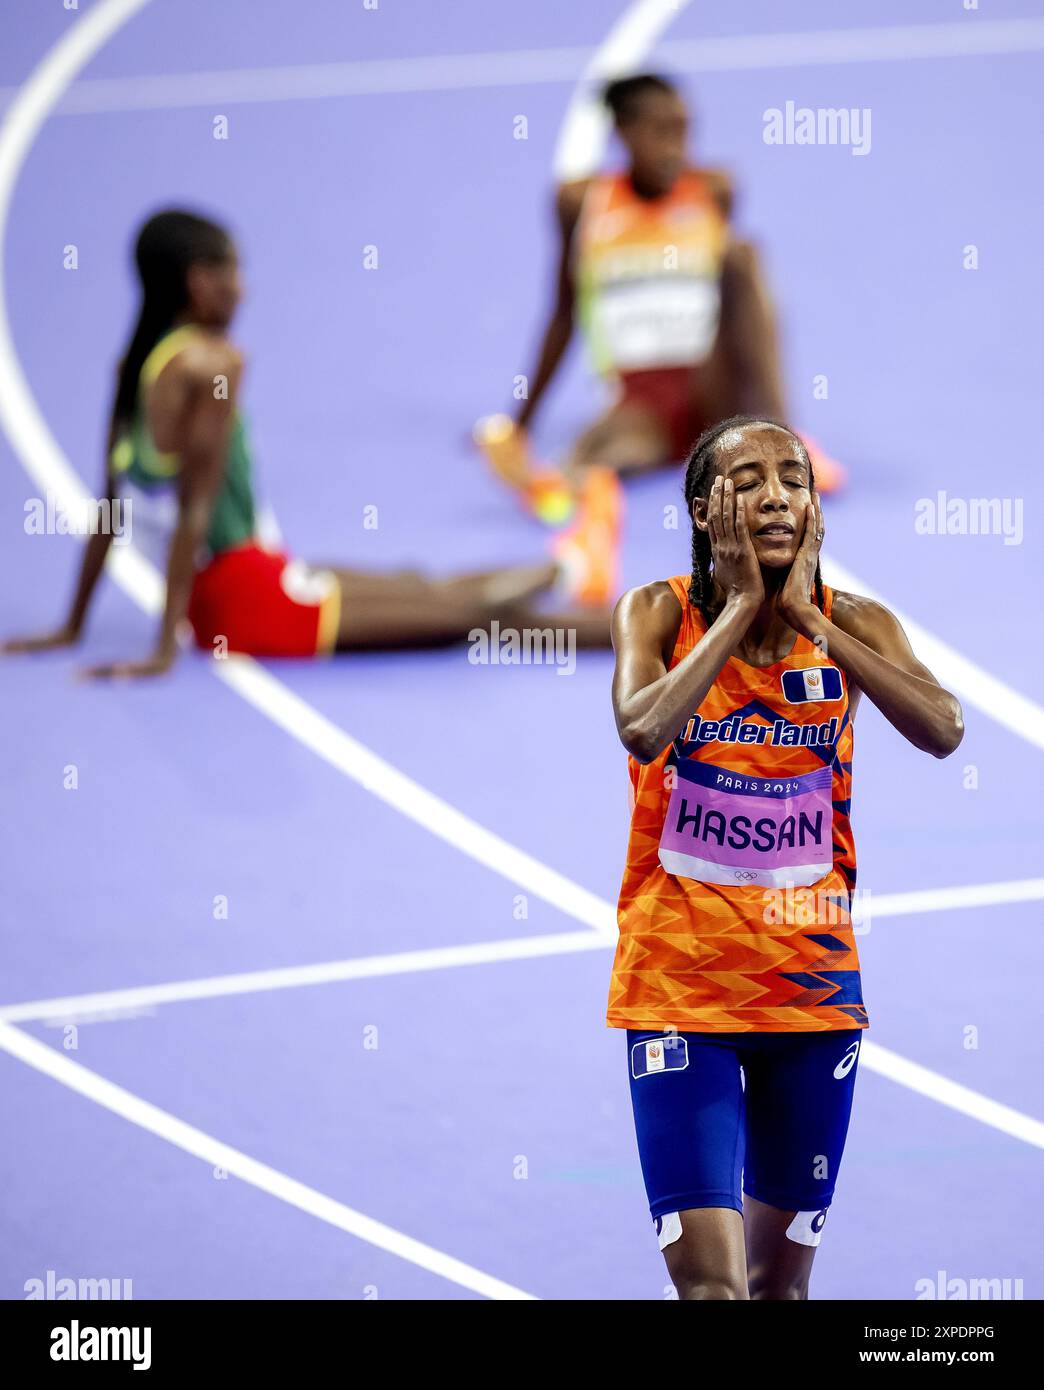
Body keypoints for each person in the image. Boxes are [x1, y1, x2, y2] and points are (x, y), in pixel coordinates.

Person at [608, 416, 963, 1299]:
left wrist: (809, 619)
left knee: (778, 1291)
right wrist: (737, 610)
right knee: (713, 1290)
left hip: (810, 991)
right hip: (680, 987)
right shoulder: (657, 612)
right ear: (703, 511)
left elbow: (944, 730)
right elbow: (644, 728)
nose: (777, 495)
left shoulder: (858, 624)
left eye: (794, 479)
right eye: (750, 479)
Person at [4, 211, 611, 677]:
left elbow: (108, 512)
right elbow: (193, 508)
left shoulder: (135, 367)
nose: (243, 290)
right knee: (477, 623)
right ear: (199, 282)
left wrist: (70, 627)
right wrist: (165, 649)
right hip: (250, 602)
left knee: (423, 585)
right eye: (234, 274)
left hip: (257, 575)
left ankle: (571, 565)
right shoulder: (213, 365)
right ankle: (661, 634)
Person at [475, 74, 842, 521]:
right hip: (643, 398)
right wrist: (521, 424)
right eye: (661, 132)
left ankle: (789, 445)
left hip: (713, 382)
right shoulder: (581, 202)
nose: (676, 147)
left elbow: (738, 312)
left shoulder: (712, 189)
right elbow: (563, 311)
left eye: (684, 131)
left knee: (741, 256)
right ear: (623, 132)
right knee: (603, 450)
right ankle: (558, 488)